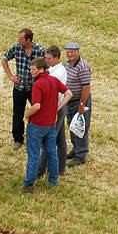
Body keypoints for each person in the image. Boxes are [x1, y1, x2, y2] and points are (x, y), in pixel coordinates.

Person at [22, 58, 70, 190]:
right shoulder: (54, 80)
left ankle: (29, 183)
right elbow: (69, 94)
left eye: (33, 69)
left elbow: (36, 106)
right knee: (51, 153)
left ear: (41, 69)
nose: (31, 71)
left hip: (37, 125)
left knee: (33, 155)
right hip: (50, 125)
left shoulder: (38, 84)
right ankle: (53, 181)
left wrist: (27, 115)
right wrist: (57, 109)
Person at [2, 28, 46, 150]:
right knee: (17, 114)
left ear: (29, 40)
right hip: (19, 87)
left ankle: (37, 138)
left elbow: (47, 68)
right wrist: (11, 76)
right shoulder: (16, 48)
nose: (18, 40)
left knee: (37, 113)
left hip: (35, 88)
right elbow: (4, 59)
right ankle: (18, 139)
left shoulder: (40, 50)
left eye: (21, 39)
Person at [63, 43, 91, 166]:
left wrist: (82, 104)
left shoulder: (83, 66)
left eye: (72, 52)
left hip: (80, 100)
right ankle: (76, 149)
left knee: (80, 126)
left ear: (78, 51)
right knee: (72, 125)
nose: (70, 54)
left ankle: (81, 155)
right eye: (68, 52)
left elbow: (86, 87)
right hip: (70, 100)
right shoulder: (68, 63)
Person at [44, 45, 70, 178]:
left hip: (56, 108)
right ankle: (60, 168)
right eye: (46, 58)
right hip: (59, 108)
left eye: (49, 58)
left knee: (49, 139)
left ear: (56, 58)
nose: (46, 60)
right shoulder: (56, 70)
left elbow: (57, 95)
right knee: (60, 139)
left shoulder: (57, 73)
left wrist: (53, 110)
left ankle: (41, 169)